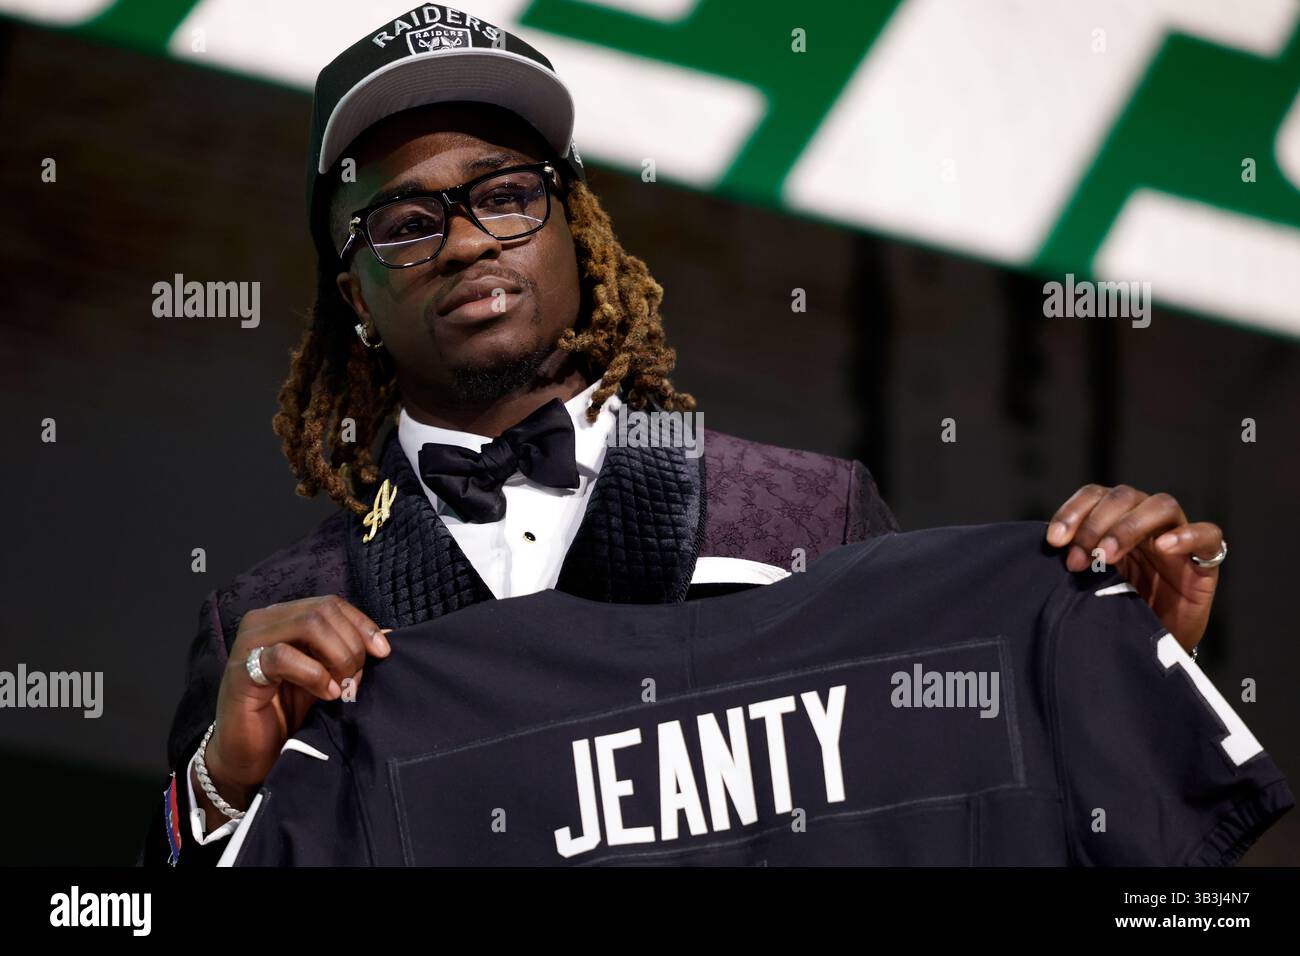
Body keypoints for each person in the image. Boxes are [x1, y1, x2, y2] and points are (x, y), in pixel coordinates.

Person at [139, 3, 1228, 867]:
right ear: (356, 296)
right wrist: (221, 790)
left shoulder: (810, 509)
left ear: (576, 226)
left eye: (507, 194)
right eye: (407, 222)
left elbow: (951, 808)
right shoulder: (267, 628)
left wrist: (1120, 666)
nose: (468, 243)